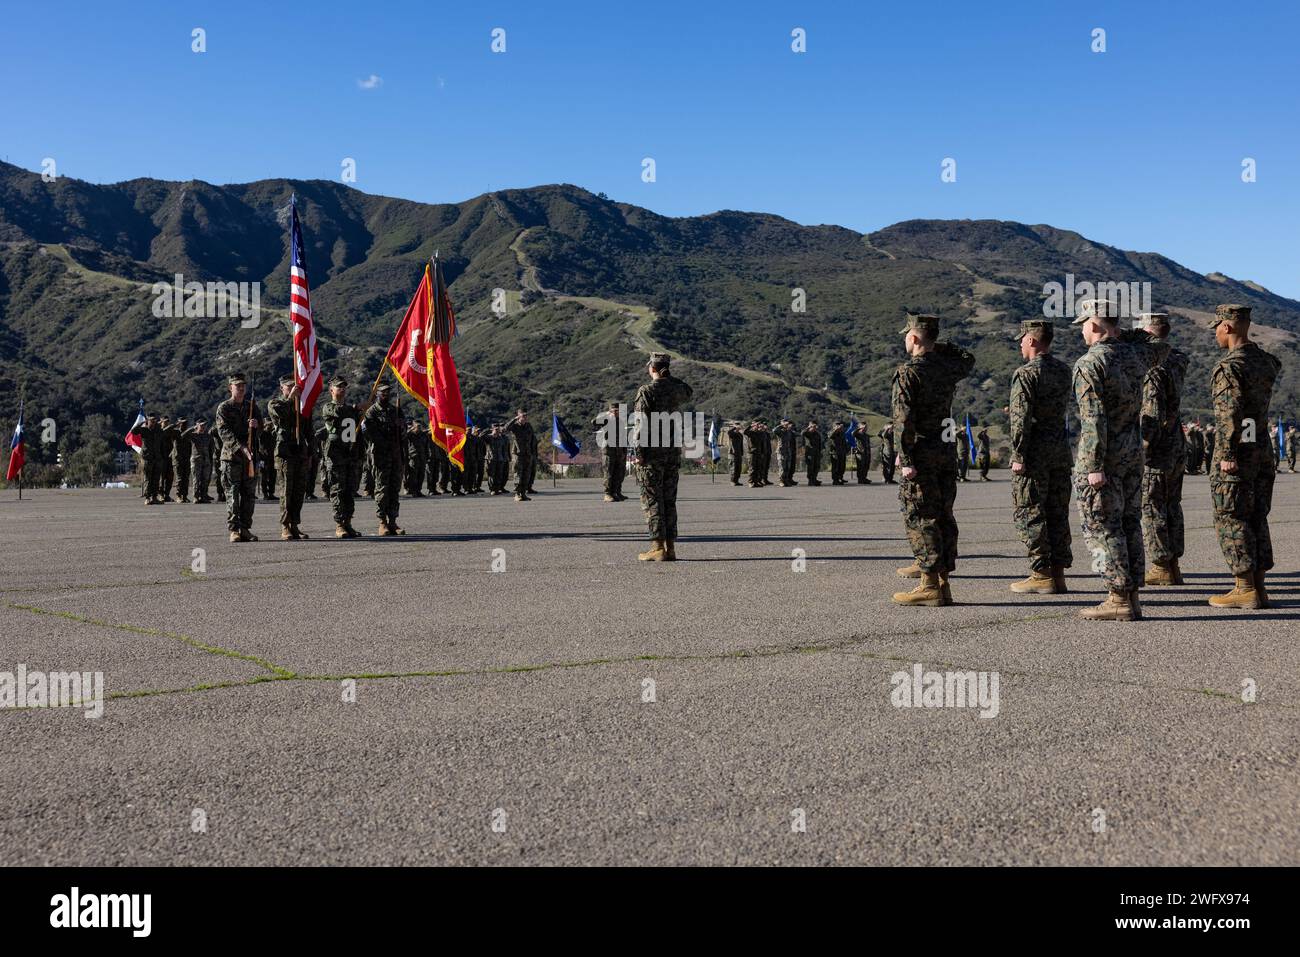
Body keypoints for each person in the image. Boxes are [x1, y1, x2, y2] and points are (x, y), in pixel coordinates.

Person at [1070, 299, 1159, 620]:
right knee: (1129, 523)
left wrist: (1093, 465)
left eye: (1083, 324)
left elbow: (1092, 419)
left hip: (1104, 457)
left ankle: (1118, 597)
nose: (1081, 331)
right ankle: (1132, 594)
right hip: (1132, 453)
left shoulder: (1089, 364)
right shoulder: (1136, 356)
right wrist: (1124, 334)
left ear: (1093, 326)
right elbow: (1157, 343)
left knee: (1103, 526)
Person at [890, 314, 976, 606]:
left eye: (907, 335)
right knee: (943, 514)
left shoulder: (908, 372)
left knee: (920, 515)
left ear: (914, 338)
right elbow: (967, 357)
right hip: (946, 452)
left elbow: (903, 420)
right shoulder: (946, 369)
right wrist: (938, 344)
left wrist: (905, 458)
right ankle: (943, 581)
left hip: (923, 452)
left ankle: (928, 583)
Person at [1206, 304, 1282, 609]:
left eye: (1216, 328)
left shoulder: (1229, 367)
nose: (1215, 334)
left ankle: (1245, 587)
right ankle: (1259, 587)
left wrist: (1225, 452)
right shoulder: (1267, 362)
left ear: (1227, 327)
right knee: (1256, 516)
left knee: (1231, 517)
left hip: (1237, 452)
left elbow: (1230, 415)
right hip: (1260, 449)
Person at [1007, 320, 1072, 594]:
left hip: (1034, 452)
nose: (1020, 344)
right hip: (1059, 449)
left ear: (1032, 341)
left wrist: (1018, 454)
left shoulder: (1026, 374)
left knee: (1031, 511)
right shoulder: (1063, 370)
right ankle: (1057, 574)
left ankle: (1040, 573)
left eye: (1022, 339)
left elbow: (1020, 418)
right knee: (1057, 512)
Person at [1136, 313, 1188, 586]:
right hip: (1176, 444)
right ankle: (1173, 564)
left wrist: (1142, 448)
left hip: (1157, 449)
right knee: (1171, 505)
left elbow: (1151, 412)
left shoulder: (1152, 367)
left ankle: (1160, 565)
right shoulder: (1177, 360)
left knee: (1153, 506)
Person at [634, 353, 693, 561]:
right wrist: (669, 377)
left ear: (651, 369)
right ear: (666, 369)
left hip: (652, 454)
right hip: (671, 453)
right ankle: (671, 547)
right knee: (669, 499)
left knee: (652, 499)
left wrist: (638, 453)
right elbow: (689, 390)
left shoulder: (647, 391)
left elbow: (640, 425)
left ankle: (657, 547)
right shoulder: (676, 390)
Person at [215, 374, 263, 543]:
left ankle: (245, 528)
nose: (241, 388)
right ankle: (234, 529)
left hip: (249, 458)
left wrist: (256, 426)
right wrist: (240, 447)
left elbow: (261, 428)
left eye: (243, 386)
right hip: (231, 458)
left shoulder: (251, 407)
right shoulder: (224, 408)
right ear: (230, 388)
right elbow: (224, 432)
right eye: (237, 386)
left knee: (249, 495)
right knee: (233, 494)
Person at [267, 376, 311, 540]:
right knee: (286, 490)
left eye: (295, 386)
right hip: (285, 452)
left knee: (299, 491)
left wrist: (311, 452)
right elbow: (280, 415)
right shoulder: (275, 403)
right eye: (289, 386)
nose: (293, 388)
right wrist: (291, 397)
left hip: (300, 452)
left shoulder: (301, 405)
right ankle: (285, 525)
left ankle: (294, 524)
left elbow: (308, 429)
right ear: (282, 389)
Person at [321, 376, 367, 538]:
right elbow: (338, 412)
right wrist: (356, 408)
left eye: (344, 387)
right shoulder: (328, 407)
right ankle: (339, 524)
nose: (342, 389)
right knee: (337, 489)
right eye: (338, 387)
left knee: (350, 490)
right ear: (331, 390)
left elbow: (356, 431)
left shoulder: (351, 409)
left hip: (350, 453)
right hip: (336, 454)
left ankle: (348, 522)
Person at [363, 383, 405, 534]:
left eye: (387, 392)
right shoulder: (371, 412)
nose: (385, 395)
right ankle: (382, 522)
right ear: (377, 394)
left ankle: (393, 521)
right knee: (382, 489)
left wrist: (401, 427)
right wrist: (385, 440)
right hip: (381, 454)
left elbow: (403, 433)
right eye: (382, 392)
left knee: (394, 488)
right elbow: (369, 434)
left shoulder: (396, 411)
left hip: (396, 454)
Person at [595, 403, 628, 501]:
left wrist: (623, 451)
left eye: (618, 411)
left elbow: (623, 437)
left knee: (619, 473)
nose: (617, 413)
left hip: (619, 450)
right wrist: (607, 415)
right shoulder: (606, 420)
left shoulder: (621, 422)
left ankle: (616, 492)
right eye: (615, 411)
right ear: (611, 411)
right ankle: (607, 494)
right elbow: (594, 421)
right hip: (609, 451)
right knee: (609, 473)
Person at [506, 410, 537, 502]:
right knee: (518, 474)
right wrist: (514, 419)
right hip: (518, 454)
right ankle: (517, 494)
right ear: (518, 417)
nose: (524, 418)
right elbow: (505, 429)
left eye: (526, 416)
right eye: (522, 416)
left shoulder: (528, 426)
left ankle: (523, 494)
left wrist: (532, 452)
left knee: (526, 474)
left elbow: (532, 438)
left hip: (527, 453)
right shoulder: (514, 426)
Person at [184, 419, 215, 503]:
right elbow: (183, 435)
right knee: (196, 479)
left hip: (206, 460)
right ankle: (196, 497)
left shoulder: (208, 436)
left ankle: (204, 496)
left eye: (204, 425)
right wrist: (193, 428)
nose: (203, 427)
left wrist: (210, 460)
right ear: (197, 425)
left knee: (205, 479)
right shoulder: (193, 435)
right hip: (196, 460)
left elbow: (211, 448)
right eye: (201, 425)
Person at [774, 419, 798, 487]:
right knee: (782, 467)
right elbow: (774, 430)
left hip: (788, 451)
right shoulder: (780, 431)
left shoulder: (789, 431)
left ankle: (786, 480)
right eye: (785, 423)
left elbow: (797, 434)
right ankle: (781, 481)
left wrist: (790, 427)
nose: (786, 424)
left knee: (787, 467)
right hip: (781, 451)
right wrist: (781, 425)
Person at [801, 421, 823, 486]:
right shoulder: (807, 433)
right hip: (810, 453)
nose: (814, 428)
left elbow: (819, 444)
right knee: (810, 466)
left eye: (815, 426)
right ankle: (810, 480)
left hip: (816, 452)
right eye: (812, 426)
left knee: (817, 466)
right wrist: (808, 427)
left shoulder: (817, 434)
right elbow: (802, 433)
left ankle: (814, 479)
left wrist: (820, 452)